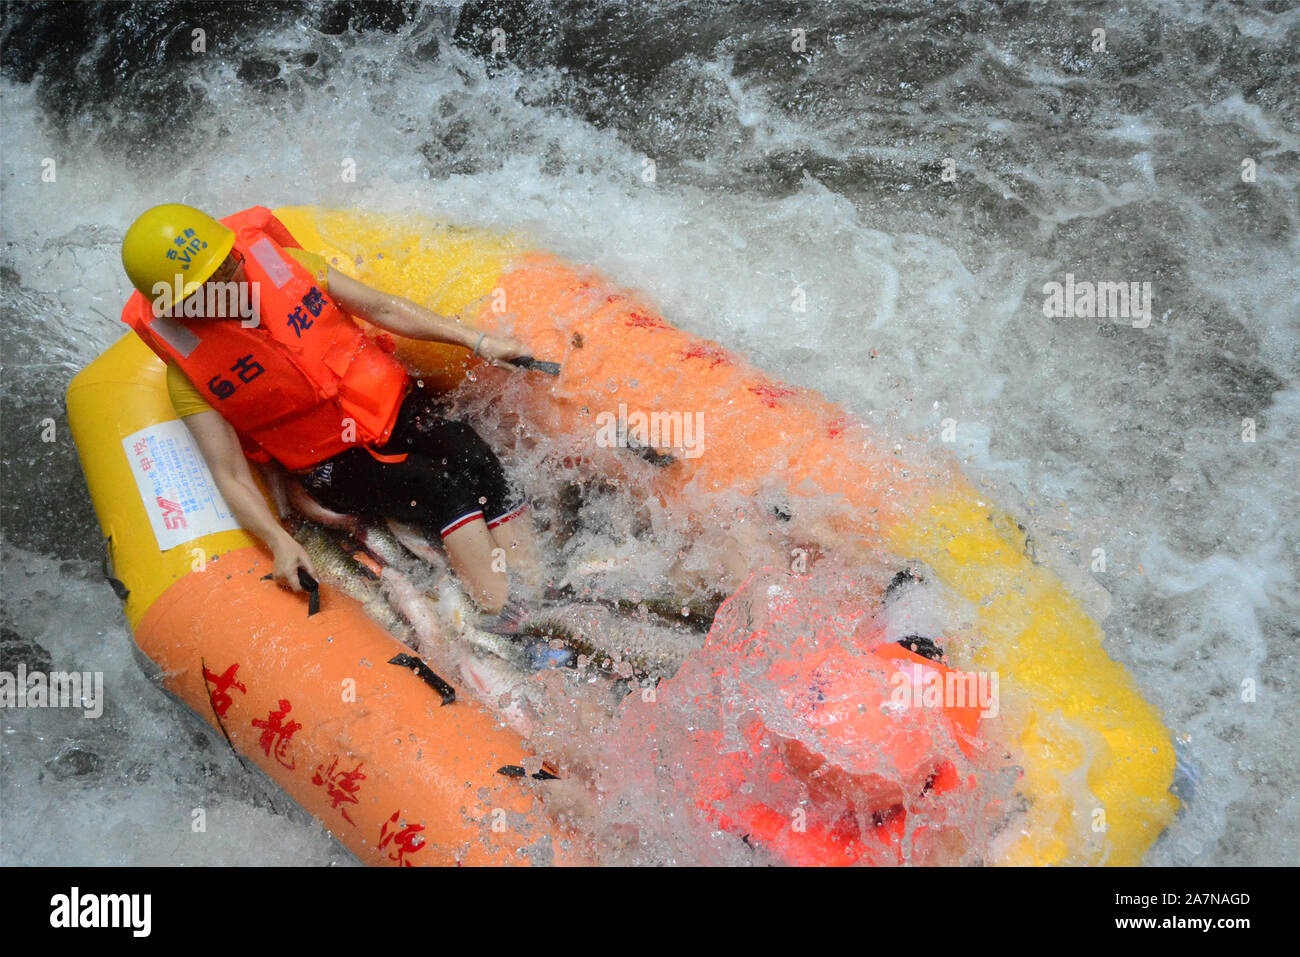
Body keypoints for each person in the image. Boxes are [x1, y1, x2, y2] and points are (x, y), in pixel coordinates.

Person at [119, 203, 545, 626]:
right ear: (179, 304)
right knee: (441, 487)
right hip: (332, 464)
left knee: (474, 456)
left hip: (390, 404)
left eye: (228, 267)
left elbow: (383, 309)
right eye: (205, 289)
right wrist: (277, 540)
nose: (228, 286)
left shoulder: (287, 266)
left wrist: (479, 341)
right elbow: (228, 472)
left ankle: (539, 586)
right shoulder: (189, 374)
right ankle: (507, 617)